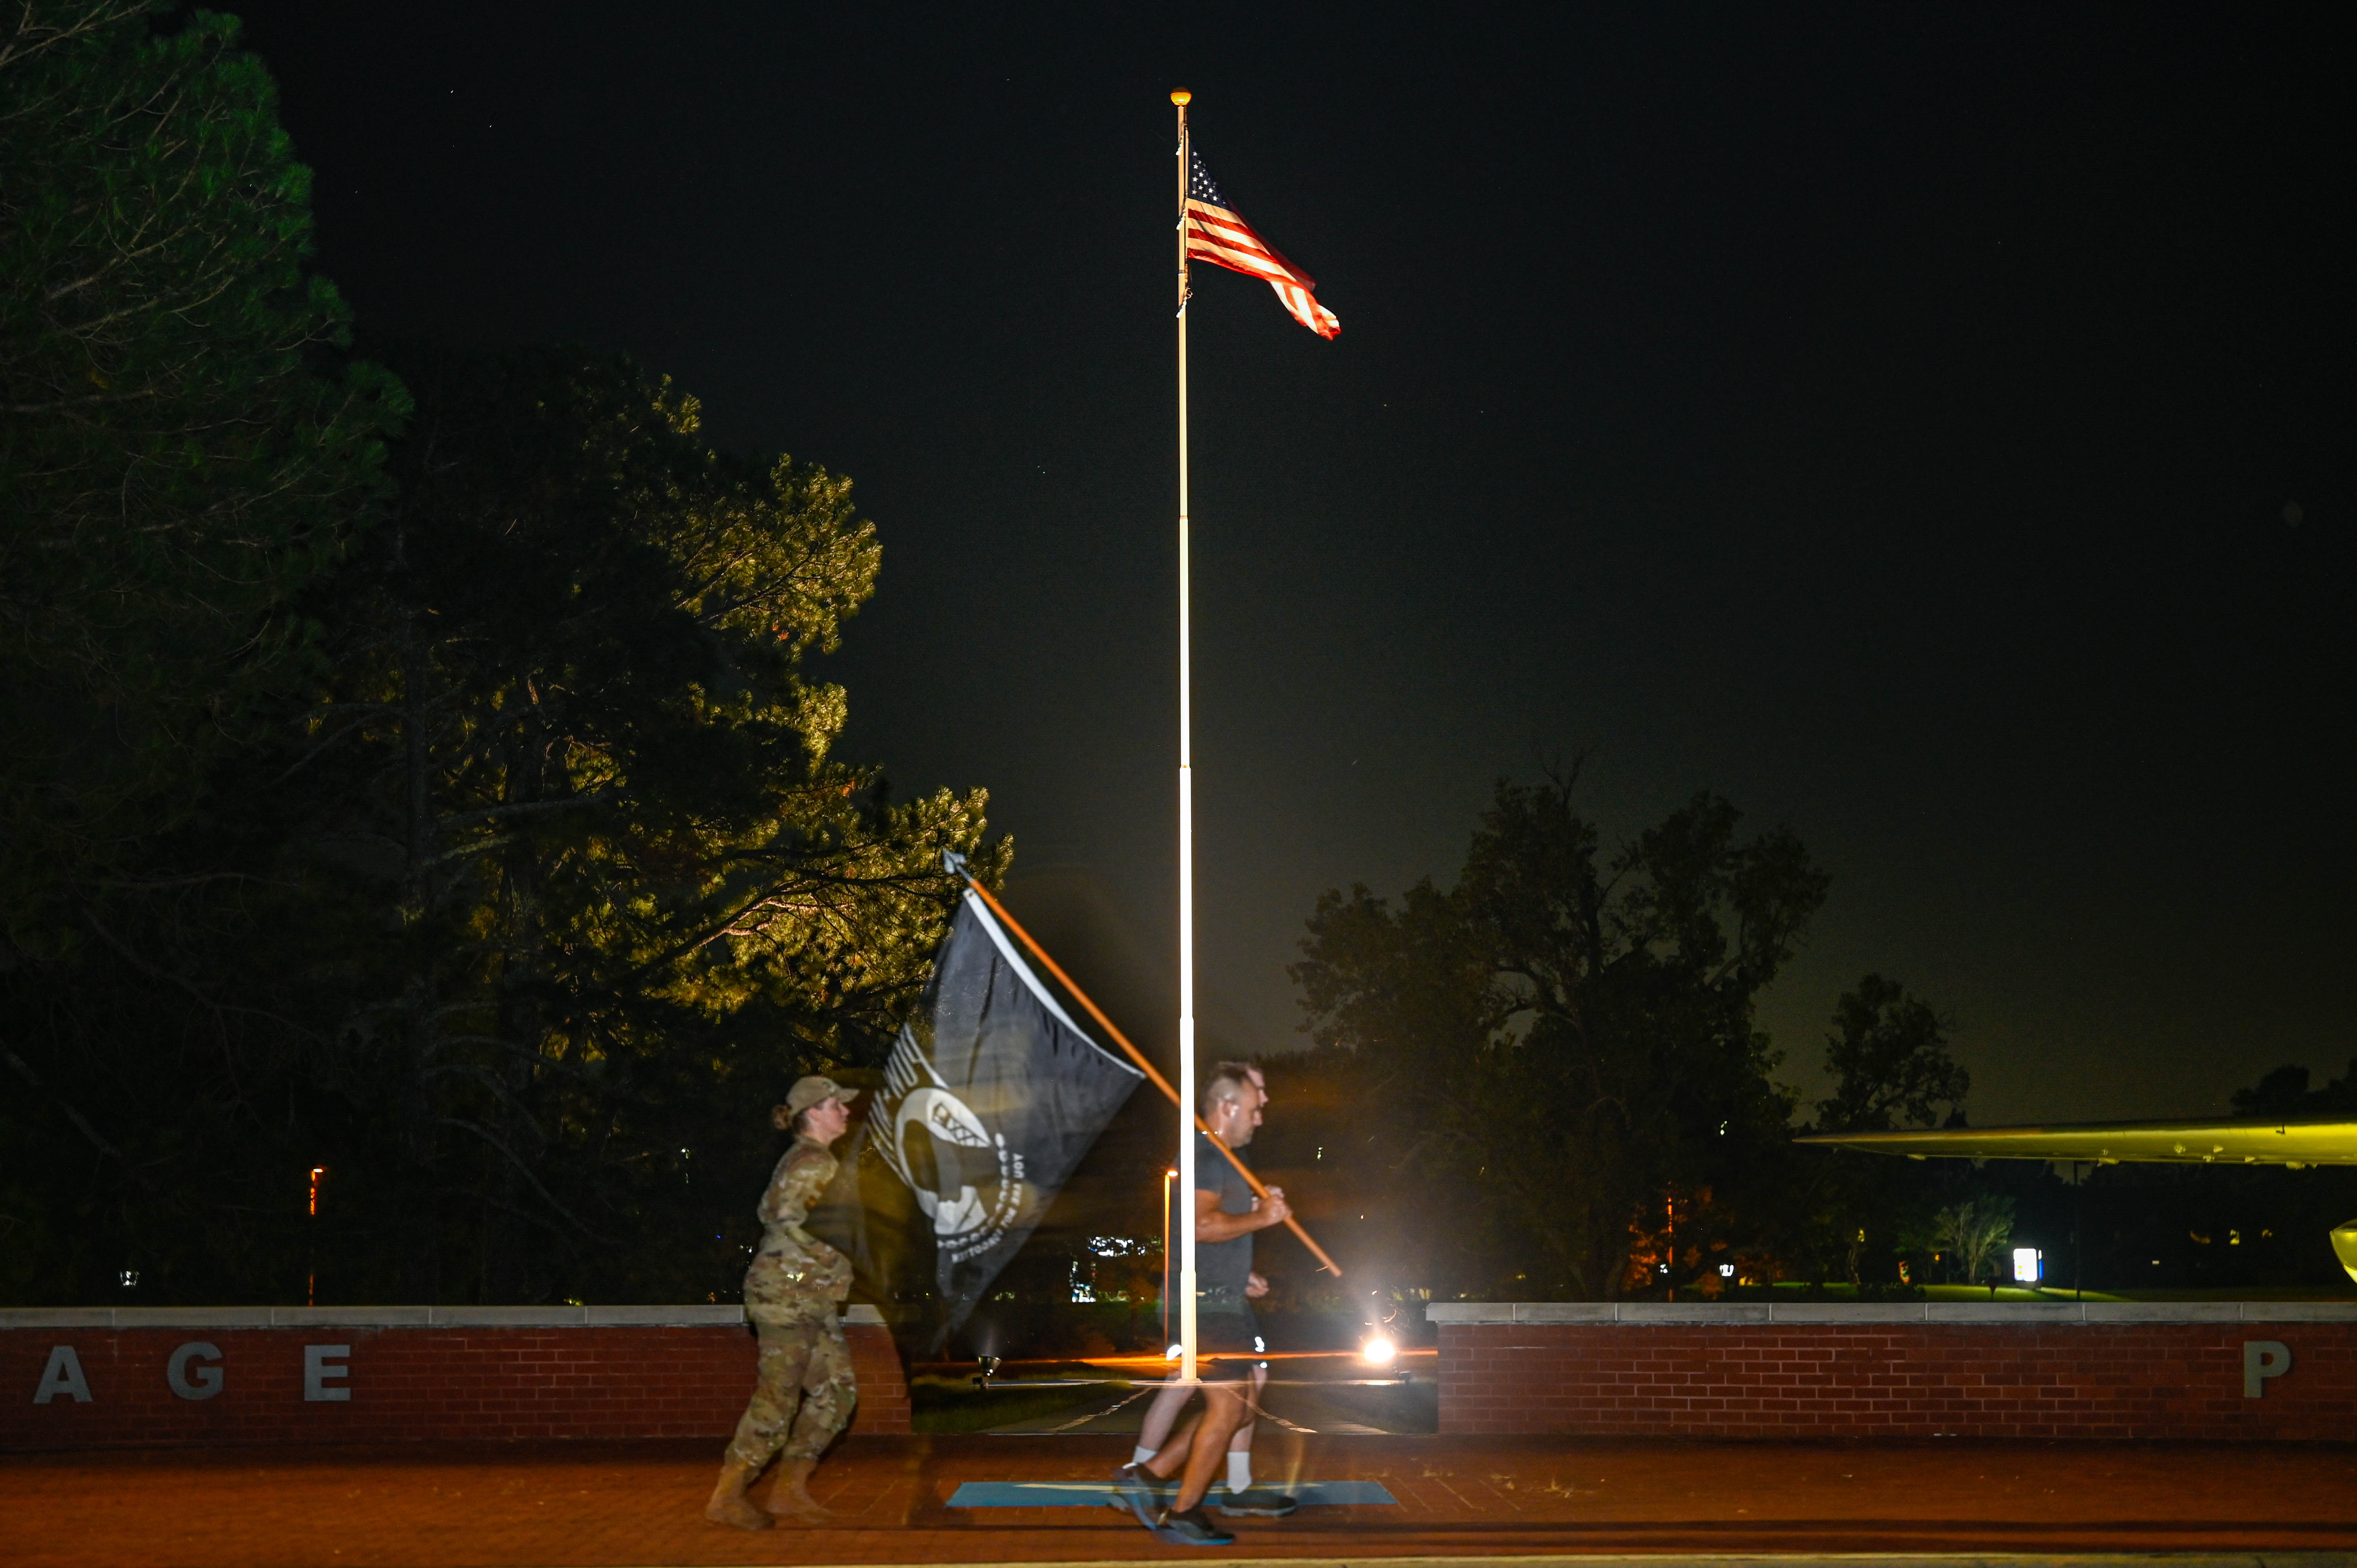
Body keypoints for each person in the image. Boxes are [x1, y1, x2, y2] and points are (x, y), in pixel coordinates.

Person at [1111, 1063, 1292, 1545]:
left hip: (1219, 1298)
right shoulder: (1207, 1157)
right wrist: (1264, 1220)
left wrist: (1242, 1265)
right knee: (1230, 1406)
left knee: (1242, 1405)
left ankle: (1150, 1475)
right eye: (1253, 1109)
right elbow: (1196, 1227)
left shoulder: (1220, 1159)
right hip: (1200, 1304)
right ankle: (1184, 1512)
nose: (1259, 1118)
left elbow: (1212, 1231)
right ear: (1227, 1106)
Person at [705, 1075, 862, 1531]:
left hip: (807, 1296)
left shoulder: (816, 1161)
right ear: (813, 1112)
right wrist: (833, 1256)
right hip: (788, 1295)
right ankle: (727, 1495)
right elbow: (784, 1218)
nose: (846, 1112)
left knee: (836, 1392)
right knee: (777, 1398)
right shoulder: (812, 1163)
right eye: (837, 1105)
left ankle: (790, 1490)